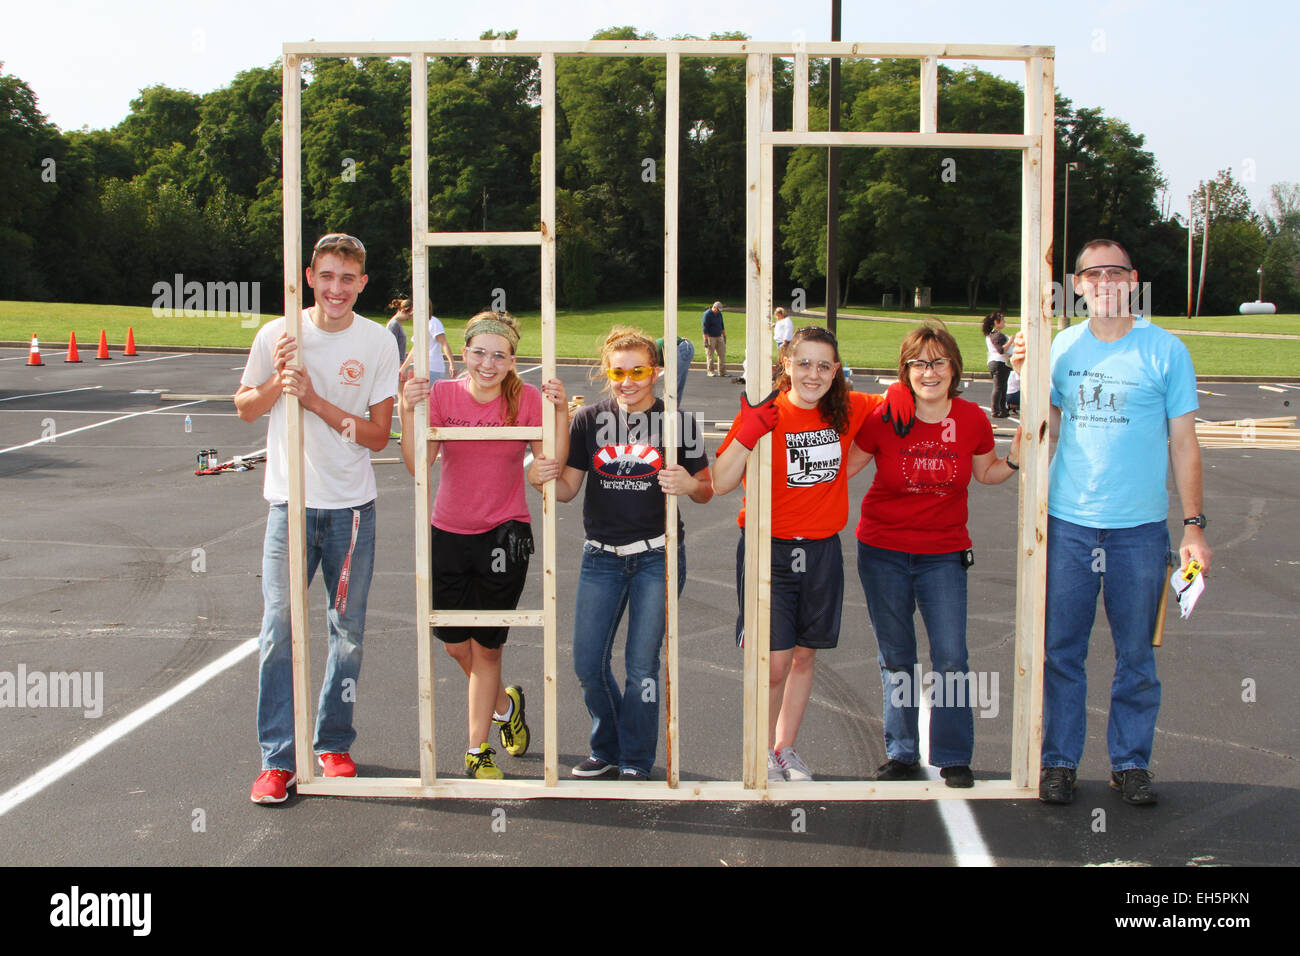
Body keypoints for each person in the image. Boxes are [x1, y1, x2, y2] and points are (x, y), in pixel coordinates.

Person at [1010, 238, 1212, 807]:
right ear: (1075, 285)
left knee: (1137, 656)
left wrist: (1193, 525)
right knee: (1062, 651)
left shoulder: (1166, 351)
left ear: (1133, 279)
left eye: (1114, 272)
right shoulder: (1060, 349)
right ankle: (1059, 762)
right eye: (1091, 274)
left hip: (1140, 530)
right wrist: (1025, 374)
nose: (1103, 282)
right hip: (1070, 524)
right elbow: (1042, 426)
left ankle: (1130, 763)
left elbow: (1184, 442)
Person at [237, 232, 400, 804]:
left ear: (362, 283)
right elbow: (243, 408)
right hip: (289, 504)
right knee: (279, 629)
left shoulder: (378, 342)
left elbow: (378, 437)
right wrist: (275, 384)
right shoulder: (278, 332)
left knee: (347, 634)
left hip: (352, 509)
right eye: (326, 276)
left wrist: (312, 399)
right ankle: (277, 760)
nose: (336, 288)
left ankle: (332, 741)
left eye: (347, 278)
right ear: (310, 276)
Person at [713, 326, 914, 782]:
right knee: (774, 662)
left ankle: (786, 748)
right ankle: (759, 749)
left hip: (821, 550)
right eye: (804, 362)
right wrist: (745, 436)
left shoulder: (847, 407)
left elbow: (890, 405)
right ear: (786, 364)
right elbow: (721, 481)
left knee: (805, 656)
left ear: (837, 370)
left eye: (825, 365)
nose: (814, 373)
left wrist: (899, 389)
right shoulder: (769, 411)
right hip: (770, 550)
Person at [531, 327, 713, 780]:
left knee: (641, 666)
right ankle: (608, 745)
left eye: (638, 370)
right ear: (606, 372)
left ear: (656, 371)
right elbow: (569, 490)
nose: (627, 381)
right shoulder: (589, 419)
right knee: (587, 663)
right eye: (618, 371)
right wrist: (541, 478)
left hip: (658, 556)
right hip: (602, 557)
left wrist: (689, 485)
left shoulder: (678, 422)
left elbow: (707, 488)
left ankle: (635, 758)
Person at [398, 311, 570, 779]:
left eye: (499, 355)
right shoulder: (443, 394)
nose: (488, 363)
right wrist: (403, 405)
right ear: (465, 352)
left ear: (513, 359)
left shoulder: (528, 398)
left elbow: (549, 462)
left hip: (504, 533)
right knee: (457, 647)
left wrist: (561, 411)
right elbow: (419, 466)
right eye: (479, 352)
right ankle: (504, 704)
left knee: (488, 648)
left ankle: (477, 751)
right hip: (449, 531)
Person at [854, 324, 1021, 788]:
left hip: (943, 553)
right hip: (882, 549)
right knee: (897, 656)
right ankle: (903, 752)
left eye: (938, 362)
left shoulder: (971, 418)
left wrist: (1015, 459)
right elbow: (844, 466)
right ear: (904, 371)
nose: (929, 372)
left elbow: (985, 471)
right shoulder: (884, 416)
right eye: (918, 363)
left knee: (950, 656)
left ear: (954, 368)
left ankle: (952, 754)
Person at [983, 311, 1012, 418]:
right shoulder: (997, 335)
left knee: (1003, 387)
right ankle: (996, 410)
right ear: (996, 322)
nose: (1004, 322)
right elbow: (1001, 350)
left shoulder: (992, 334)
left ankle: (1002, 409)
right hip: (999, 362)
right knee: (999, 387)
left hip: (996, 362)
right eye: (1003, 320)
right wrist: (1011, 340)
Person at [655, 334, 695, 400]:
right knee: (675, 382)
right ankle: (669, 404)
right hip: (683, 346)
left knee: (674, 382)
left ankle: (669, 405)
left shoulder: (648, 355)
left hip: (682, 348)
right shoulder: (650, 351)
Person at [426, 304, 456, 384]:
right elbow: (415, 349)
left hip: (433, 367)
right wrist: (403, 368)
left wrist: (452, 364)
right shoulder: (420, 323)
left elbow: (444, 343)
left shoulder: (433, 322)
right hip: (422, 367)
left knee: (431, 395)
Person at [702, 301, 727, 377]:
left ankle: (722, 372)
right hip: (710, 337)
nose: (719, 311)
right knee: (710, 355)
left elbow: (722, 325)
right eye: (718, 309)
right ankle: (710, 371)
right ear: (714, 307)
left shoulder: (719, 314)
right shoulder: (707, 314)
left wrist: (724, 336)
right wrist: (705, 340)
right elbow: (705, 328)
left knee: (722, 354)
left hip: (719, 336)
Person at [385, 298, 409, 365]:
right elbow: (390, 347)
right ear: (403, 311)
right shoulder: (393, 324)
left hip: (398, 362)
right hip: (394, 363)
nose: (410, 318)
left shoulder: (398, 324)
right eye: (409, 315)